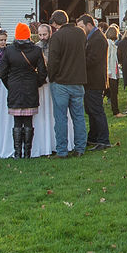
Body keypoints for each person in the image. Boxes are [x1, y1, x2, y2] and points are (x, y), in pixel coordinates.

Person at [0, 22, 48, 158]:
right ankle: (27, 152)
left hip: (14, 87)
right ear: (28, 35)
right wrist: (36, 83)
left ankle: (17, 153)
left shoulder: (9, 50)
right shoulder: (36, 50)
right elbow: (43, 72)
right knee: (28, 121)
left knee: (17, 121)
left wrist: (10, 85)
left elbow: (2, 73)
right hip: (30, 86)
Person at [47, 10, 87, 158]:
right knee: (79, 117)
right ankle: (80, 148)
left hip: (61, 82)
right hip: (78, 80)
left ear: (54, 23)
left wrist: (51, 77)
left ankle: (62, 150)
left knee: (61, 118)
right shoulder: (80, 33)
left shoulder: (56, 37)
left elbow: (53, 61)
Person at [78, 14, 112, 151]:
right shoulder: (92, 37)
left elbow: (92, 60)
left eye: (81, 27)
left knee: (96, 110)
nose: (80, 30)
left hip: (95, 80)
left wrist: (77, 63)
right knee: (91, 110)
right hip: (91, 80)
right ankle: (94, 136)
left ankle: (103, 139)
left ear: (89, 25)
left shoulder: (97, 39)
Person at [104, 25, 124, 118]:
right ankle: (116, 111)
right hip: (111, 72)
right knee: (113, 92)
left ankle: (115, 110)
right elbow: (107, 58)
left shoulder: (110, 43)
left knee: (111, 92)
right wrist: (108, 71)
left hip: (113, 71)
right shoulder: (109, 44)